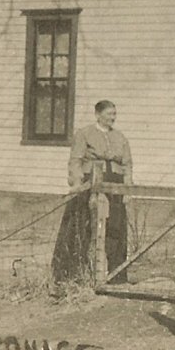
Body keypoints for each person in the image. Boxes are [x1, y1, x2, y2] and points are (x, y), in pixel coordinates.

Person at [51, 100, 133, 284]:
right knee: (81, 226)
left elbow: (127, 164)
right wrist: (77, 183)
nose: (113, 118)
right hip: (90, 183)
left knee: (115, 228)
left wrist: (127, 189)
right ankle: (72, 275)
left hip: (115, 185)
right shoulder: (84, 134)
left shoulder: (120, 137)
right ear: (97, 115)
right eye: (109, 114)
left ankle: (116, 276)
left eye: (114, 114)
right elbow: (75, 161)